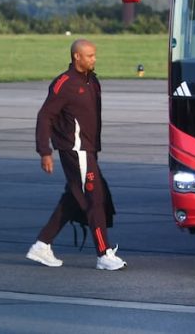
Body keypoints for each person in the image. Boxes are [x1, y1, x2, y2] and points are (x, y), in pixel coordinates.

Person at [26, 39, 126, 271]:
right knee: (94, 200)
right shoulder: (64, 84)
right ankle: (104, 254)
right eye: (89, 56)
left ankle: (42, 245)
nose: (94, 59)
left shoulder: (92, 81)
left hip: (89, 151)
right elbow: (45, 117)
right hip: (75, 151)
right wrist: (44, 151)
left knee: (73, 198)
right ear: (76, 57)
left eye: (94, 55)